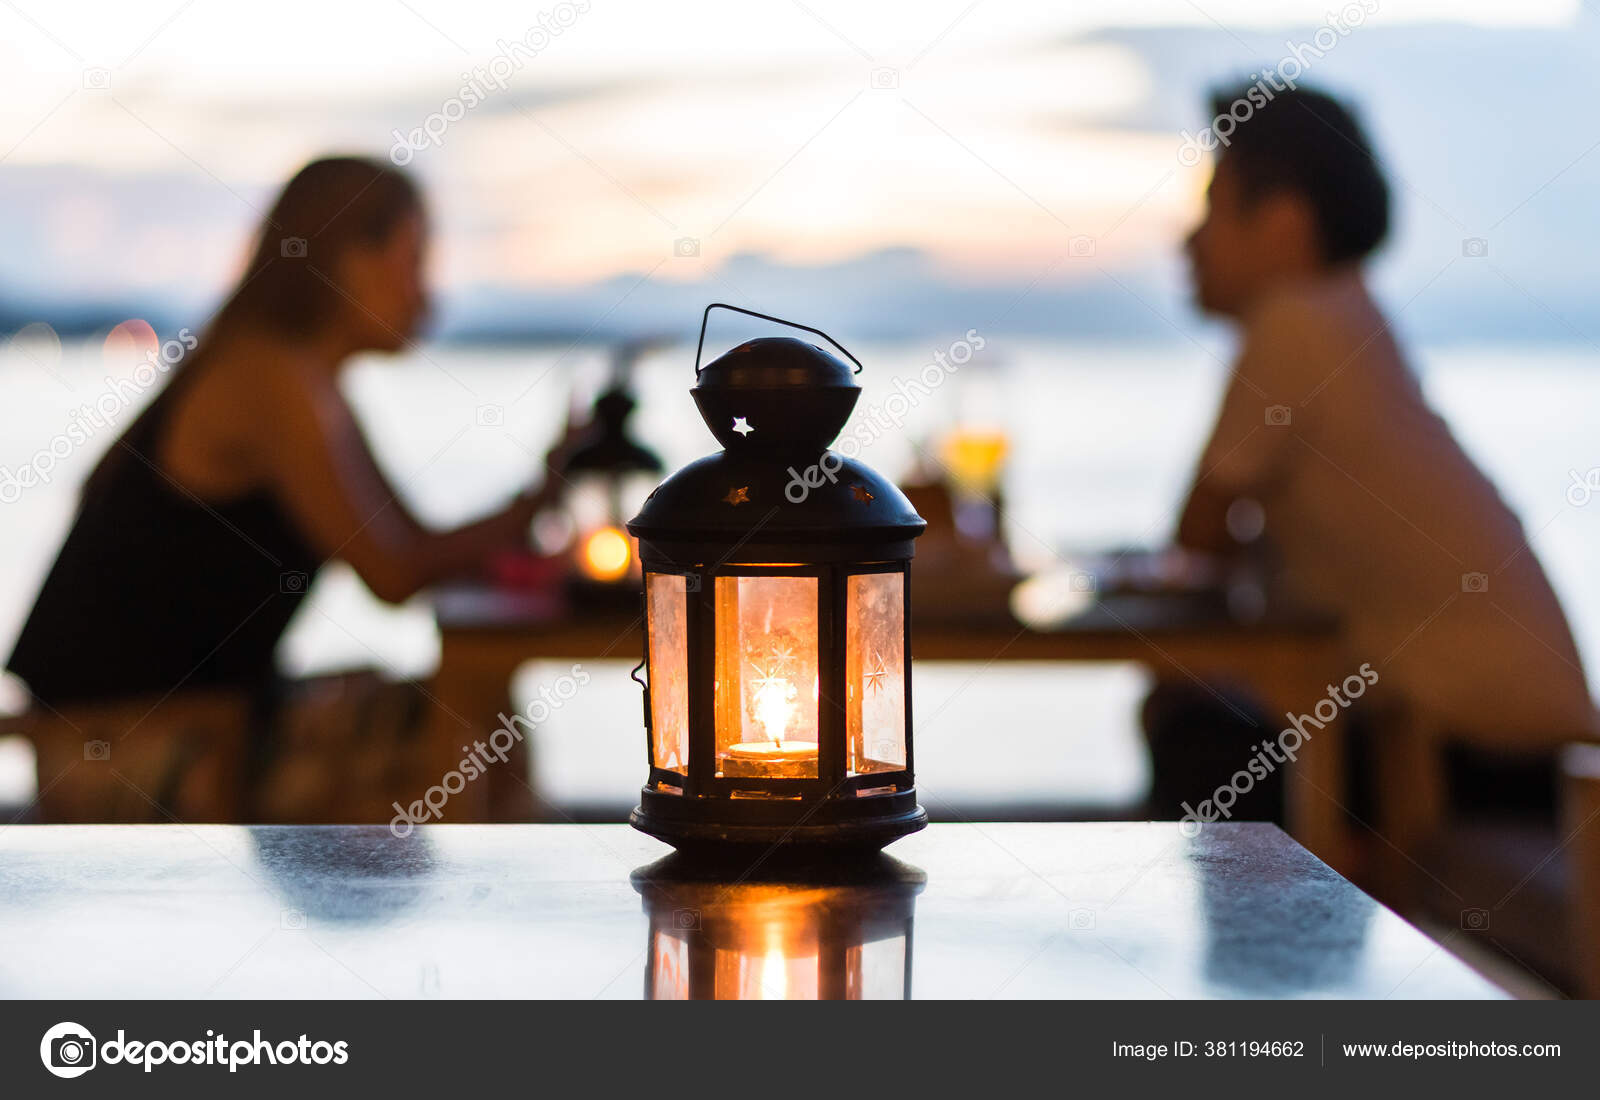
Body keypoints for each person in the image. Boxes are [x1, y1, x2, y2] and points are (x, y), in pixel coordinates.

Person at [7, 157, 572, 822]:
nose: (428, 297)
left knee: (470, 711)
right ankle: (475, 893)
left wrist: (538, 499)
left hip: (200, 720)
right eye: (413, 260)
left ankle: (462, 889)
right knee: (463, 725)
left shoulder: (305, 380)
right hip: (124, 747)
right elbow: (393, 573)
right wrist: (539, 503)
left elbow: (414, 547)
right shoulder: (269, 379)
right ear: (348, 261)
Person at [1147, 84, 1595, 825]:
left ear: (1283, 224)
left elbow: (1195, 547)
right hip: (1526, 759)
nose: (1187, 242)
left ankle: (1324, 895)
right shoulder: (1343, 321)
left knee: (1188, 728)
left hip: (1486, 773)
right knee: (1206, 720)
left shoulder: (1297, 326)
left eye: (1213, 209)